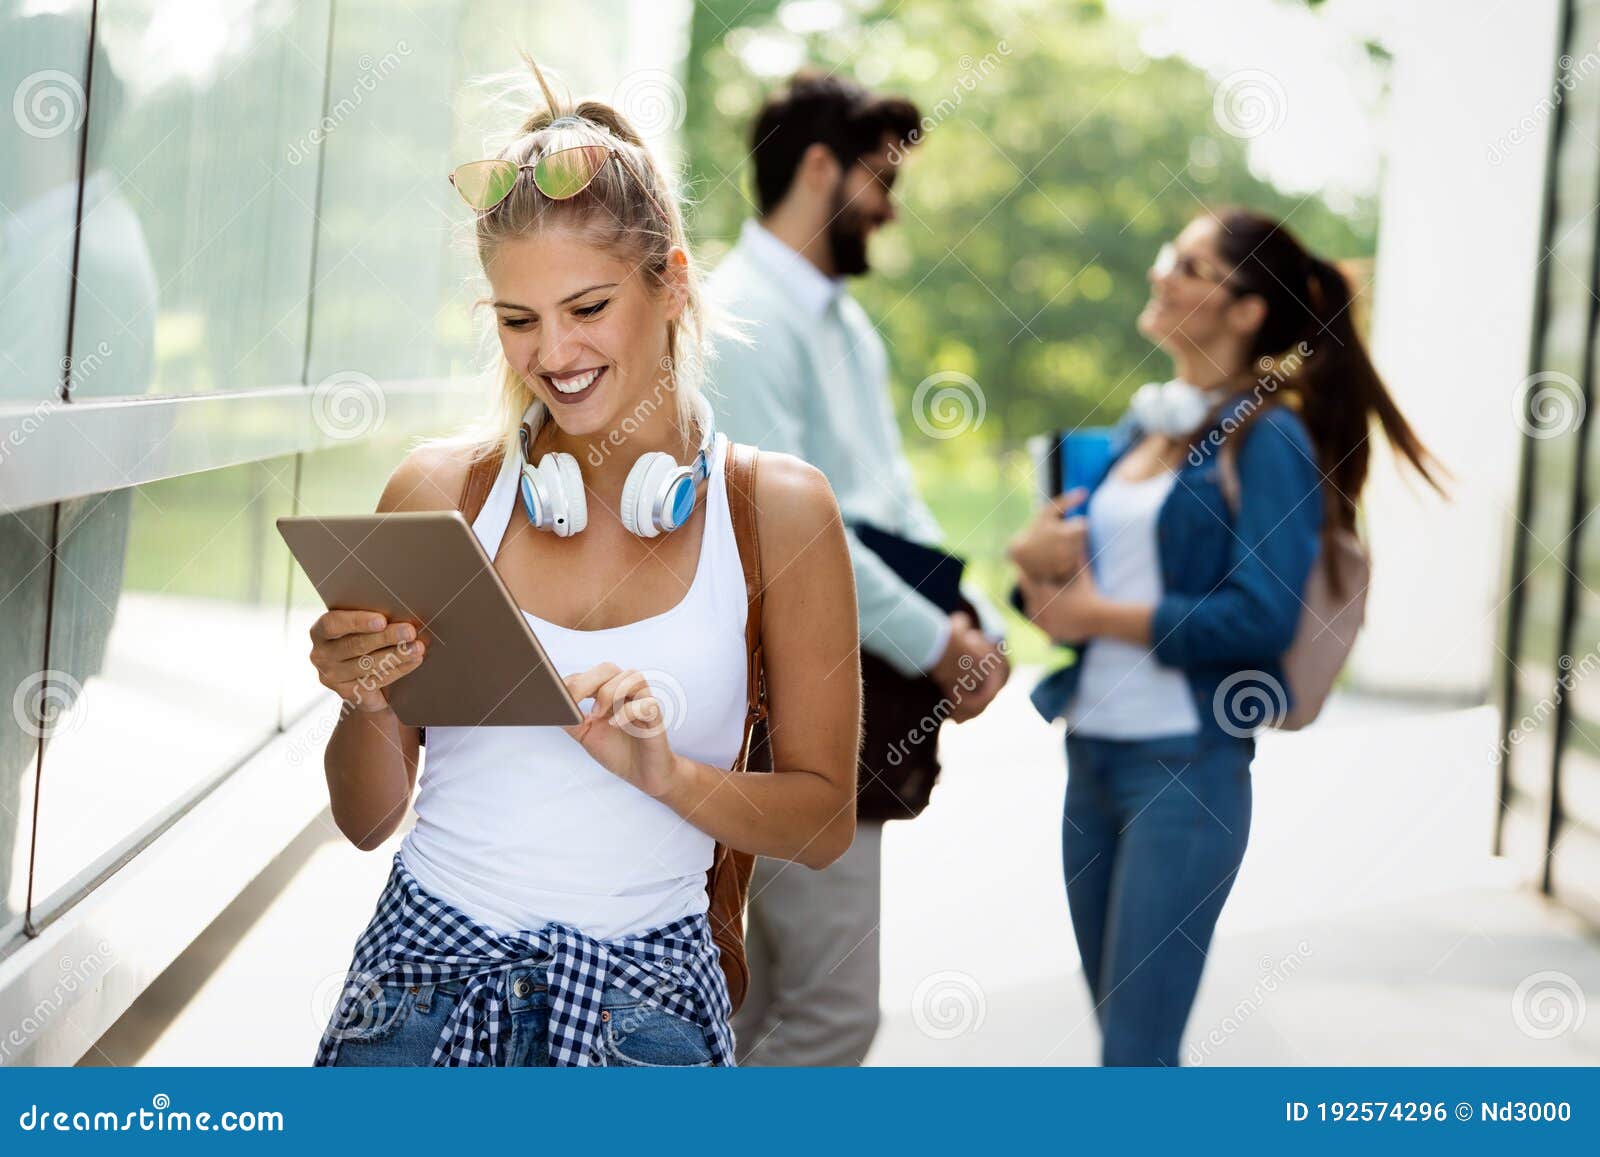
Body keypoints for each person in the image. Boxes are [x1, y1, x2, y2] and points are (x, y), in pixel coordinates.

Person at [307, 56, 861, 1068]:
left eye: (587, 308)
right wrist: (365, 702)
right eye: (518, 320)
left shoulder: (778, 510)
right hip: (416, 994)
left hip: (644, 1014)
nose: (552, 353)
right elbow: (364, 817)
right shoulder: (440, 493)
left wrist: (666, 773)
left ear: (672, 286)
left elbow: (823, 818)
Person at [1009, 207, 1446, 1066]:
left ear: (1245, 310)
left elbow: (1261, 614)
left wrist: (1098, 614)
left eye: (1189, 265)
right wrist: (1029, 561)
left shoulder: (1269, 436)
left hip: (1184, 770)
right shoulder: (1143, 430)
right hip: (1091, 754)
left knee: (1135, 1054)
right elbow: (1064, 596)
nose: (1160, 273)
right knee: (1121, 1042)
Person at [706, 70, 1009, 1067]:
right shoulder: (743, 315)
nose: (888, 204)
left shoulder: (845, 326)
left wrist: (970, 629)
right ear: (820, 165)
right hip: (789, 704)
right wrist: (934, 643)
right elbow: (794, 533)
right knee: (830, 1012)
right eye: (880, 178)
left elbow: (885, 500)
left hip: (853, 689)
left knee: (767, 1006)